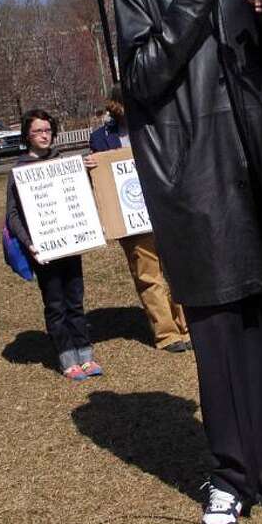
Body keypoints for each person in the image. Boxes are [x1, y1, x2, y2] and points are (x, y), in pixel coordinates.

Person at [113, 0, 262, 524]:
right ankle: (229, 476)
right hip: (192, 170)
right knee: (218, 327)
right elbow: (143, 73)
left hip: (250, 161)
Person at [85, 90, 191, 353]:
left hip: (165, 212)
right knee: (148, 275)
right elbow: (101, 182)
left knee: (178, 270)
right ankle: (166, 334)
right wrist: (91, 166)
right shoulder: (101, 139)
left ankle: (188, 327)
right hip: (131, 220)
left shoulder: (157, 127)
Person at [5, 109, 103, 381]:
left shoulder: (64, 161)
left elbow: (79, 197)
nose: (43, 135)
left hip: (69, 245)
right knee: (55, 303)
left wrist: (86, 171)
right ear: (27, 135)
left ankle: (85, 352)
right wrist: (29, 244)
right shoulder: (19, 169)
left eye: (47, 130)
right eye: (37, 131)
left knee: (75, 300)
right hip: (44, 249)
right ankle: (66, 356)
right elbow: (12, 215)